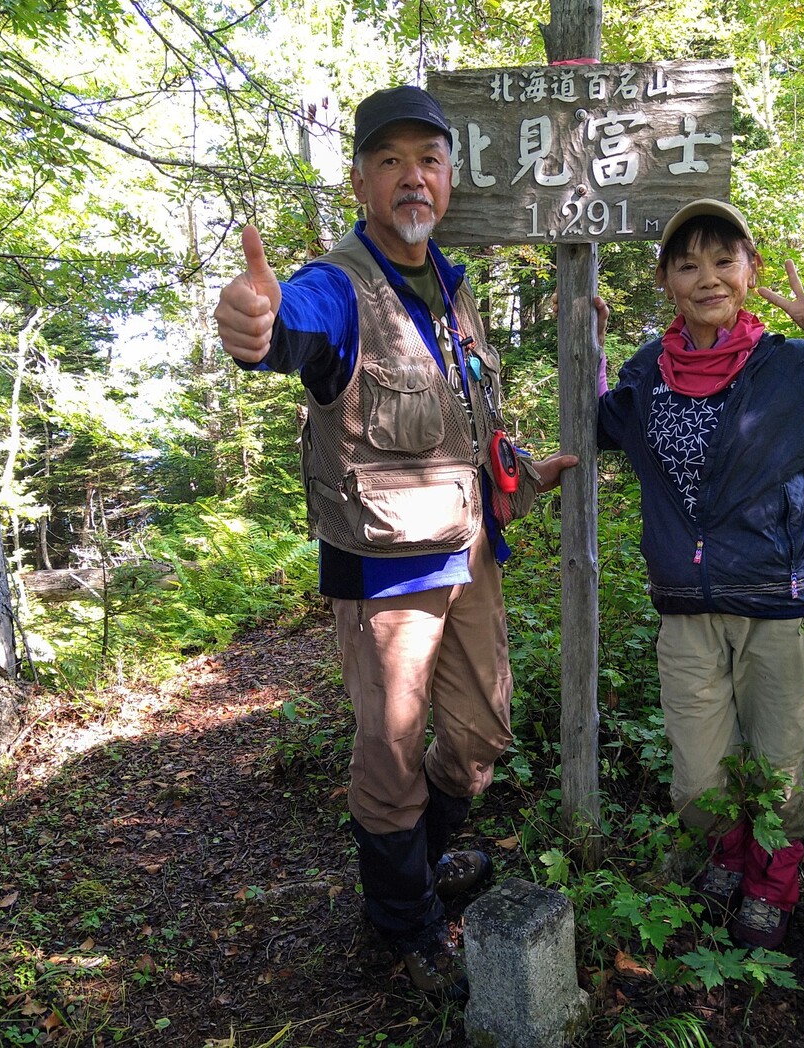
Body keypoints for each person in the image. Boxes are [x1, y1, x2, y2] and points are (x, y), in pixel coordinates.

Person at [212, 85, 576, 997]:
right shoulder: (339, 288)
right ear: (361, 182)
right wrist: (259, 326)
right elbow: (293, 328)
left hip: (471, 552)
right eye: (390, 161)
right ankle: (404, 924)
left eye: (428, 160)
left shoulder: (454, 292)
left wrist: (521, 477)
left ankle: (422, 860)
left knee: (482, 733)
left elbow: (460, 423)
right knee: (391, 752)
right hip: (384, 574)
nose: (413, 177)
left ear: (448, 177)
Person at [593, 198, 804, 949]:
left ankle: (771, 884)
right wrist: (587, 348)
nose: (708, 277)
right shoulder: (649, 372)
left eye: (725, 260)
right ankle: (722, 855)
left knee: (778, 770)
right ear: (666, 280)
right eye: (688, 264)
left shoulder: (792, 368)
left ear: (750, 270)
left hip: (780, 604)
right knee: (698, 777)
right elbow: (599, 424)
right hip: (685, 607)